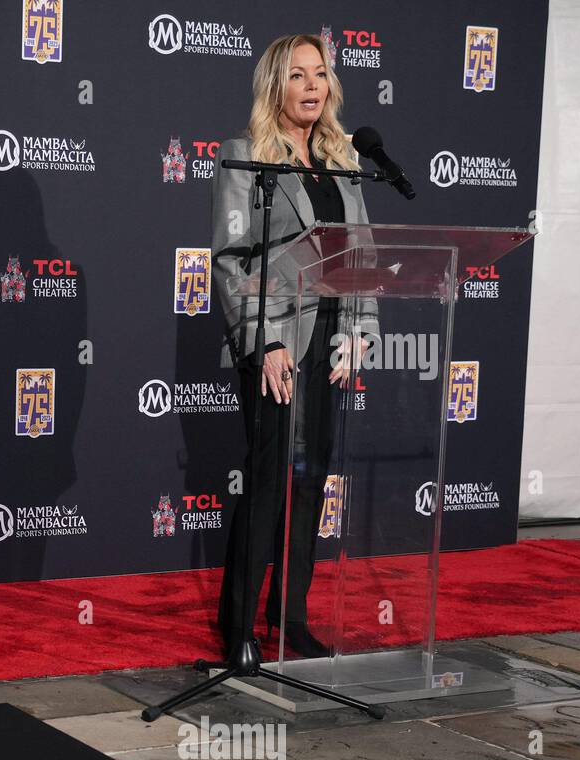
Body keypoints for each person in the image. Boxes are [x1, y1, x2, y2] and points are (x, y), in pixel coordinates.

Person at [210, 33, 377, 659]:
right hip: (279, 338)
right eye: (299, 75)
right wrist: (266, 342)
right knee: (269, 479)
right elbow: (230, 260)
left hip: (332, 332)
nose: (313, 85)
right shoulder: (247, 156)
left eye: (321, 74)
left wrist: (360, 331)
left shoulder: (344, 160)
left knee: (311, 478)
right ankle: (237, 627)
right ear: (275, 85)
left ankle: (291, 613)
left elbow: (363, 251)